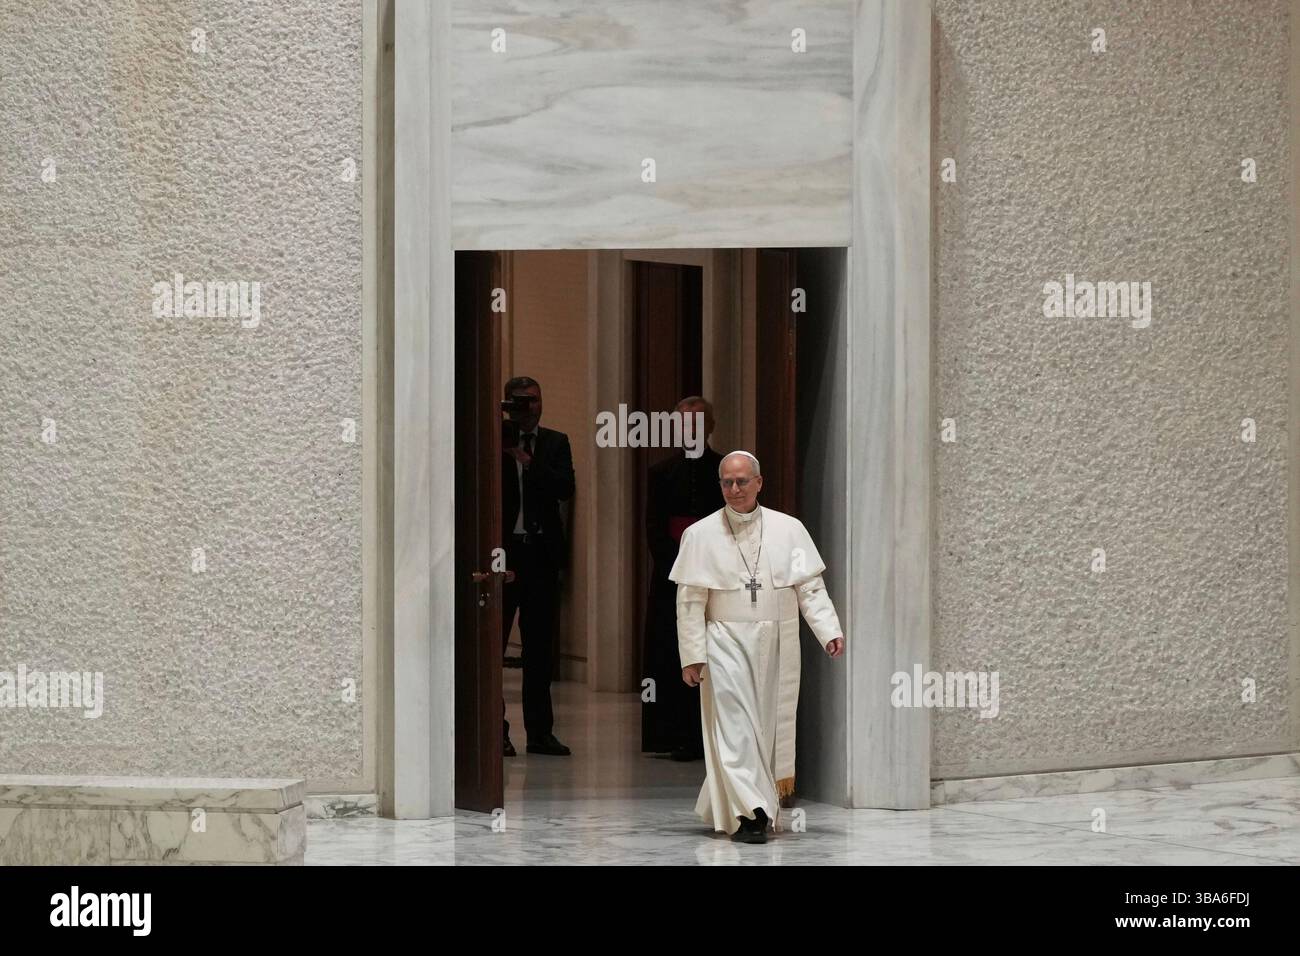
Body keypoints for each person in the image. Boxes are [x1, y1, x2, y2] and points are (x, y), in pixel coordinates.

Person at [670, 450, 844, 843]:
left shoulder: (789, 529)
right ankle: (752, 814)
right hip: (723, 640)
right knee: (736, 729)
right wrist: (692, 655)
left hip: (776, 641)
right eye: (727, 483)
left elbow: (810, 588)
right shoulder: (699, 534)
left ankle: (745, 805)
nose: (734, 489)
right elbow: (690, 600)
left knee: (763, 731)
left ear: (759, 483)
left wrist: (828, 629)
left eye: (742, 481)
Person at [642, 397, 722, 760]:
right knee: (669, 649)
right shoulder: (660, 473)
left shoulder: (723, 469)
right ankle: (670, 734)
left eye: (696, 423)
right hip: (671, 573)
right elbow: (654, 526)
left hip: (715, 573)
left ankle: (707, 733)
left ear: (709, 427)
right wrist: (677, 563)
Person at [500, 376, 575, 757]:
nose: (528, 408)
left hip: (540, 556)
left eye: (533, 400)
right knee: (491, 645)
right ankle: (494, 728)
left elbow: (565, 489)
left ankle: (540, 733)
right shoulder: (492, 440)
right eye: (519, 402)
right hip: (502, 555)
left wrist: (528, 463)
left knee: (539, 650)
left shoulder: (555, 443)